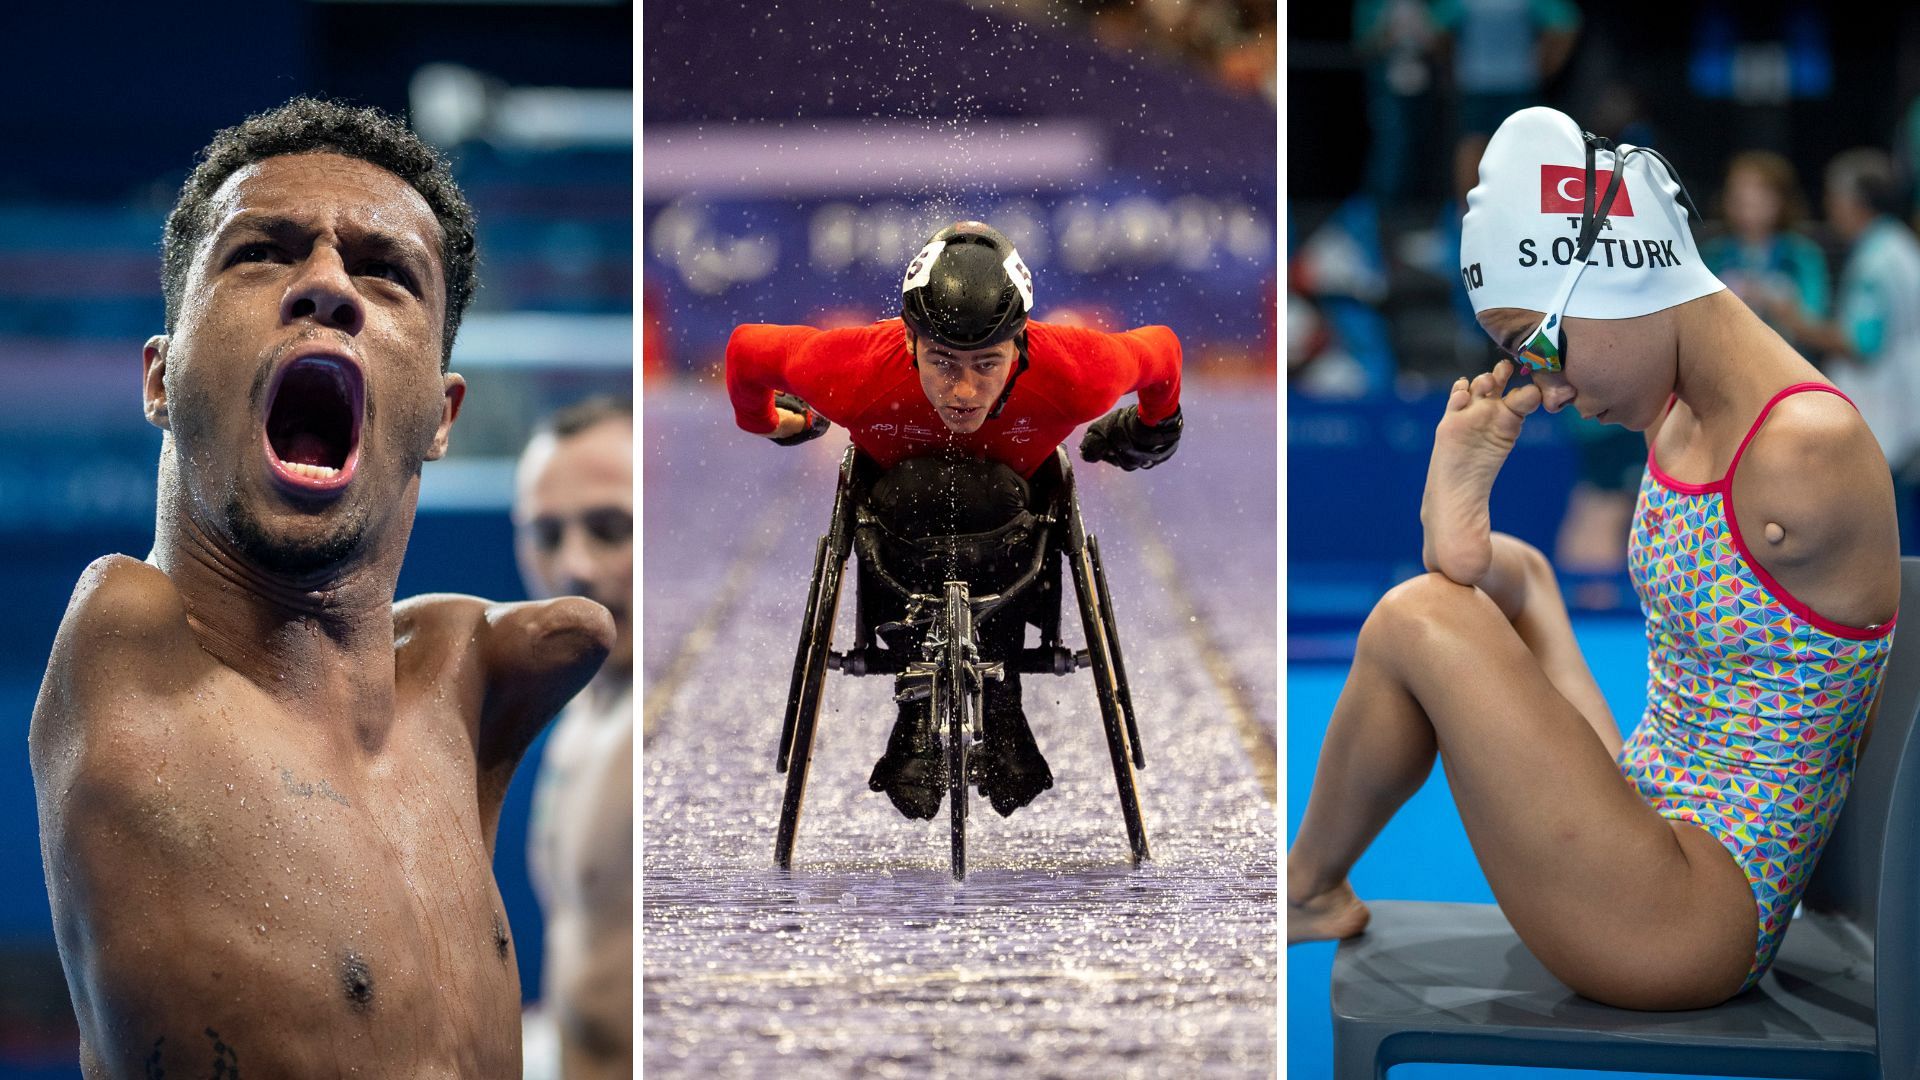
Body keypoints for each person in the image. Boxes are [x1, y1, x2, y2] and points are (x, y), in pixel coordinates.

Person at [29, 98, 613, 1075]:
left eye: (385, 273)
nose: (328, 287)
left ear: (442, 413)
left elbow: (581, 631)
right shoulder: (122, 645)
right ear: (160, 380)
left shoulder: (456, 702)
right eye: (262, 252)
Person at [1288, 107, 1899, 1009]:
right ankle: (1312, 880)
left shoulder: (1804, 446)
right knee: (1521, 574)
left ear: (1613, 281)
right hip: (1654, 820)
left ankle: (1304, 888)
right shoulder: (1687, 414)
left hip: (1694, 920)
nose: (1550, 388)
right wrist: (1457, 531)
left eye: (1535, 345)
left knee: (1418, 615)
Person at [725, 220, 1183, 820]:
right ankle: (922, 703)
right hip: (896, 519)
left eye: (986, 364)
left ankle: (999, 699)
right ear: (910, 341)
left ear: (1019, 348)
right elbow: (744, 352)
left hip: (1018, 521)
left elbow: (1163, 353)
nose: (964, 390)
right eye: (942, 361)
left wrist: (1153, 427)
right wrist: (775, 423)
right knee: (919, 487)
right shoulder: (854, 366)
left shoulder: (1075, 371)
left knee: (995, 491)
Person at [513, 397, 633, 1080]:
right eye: (548, 535)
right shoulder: (581, 710)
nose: (577, 567)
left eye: (611, 528)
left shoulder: (656, 733)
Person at [1766, 148, 1920, 549]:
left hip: (1888, 410)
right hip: (1903, 404)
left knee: (1887, 532)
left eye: (1835, 196)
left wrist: (1792, 318)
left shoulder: (1877, 259)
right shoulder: (1899, 246)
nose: (1830, 206)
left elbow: (1860, 342)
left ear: (1857, 202)